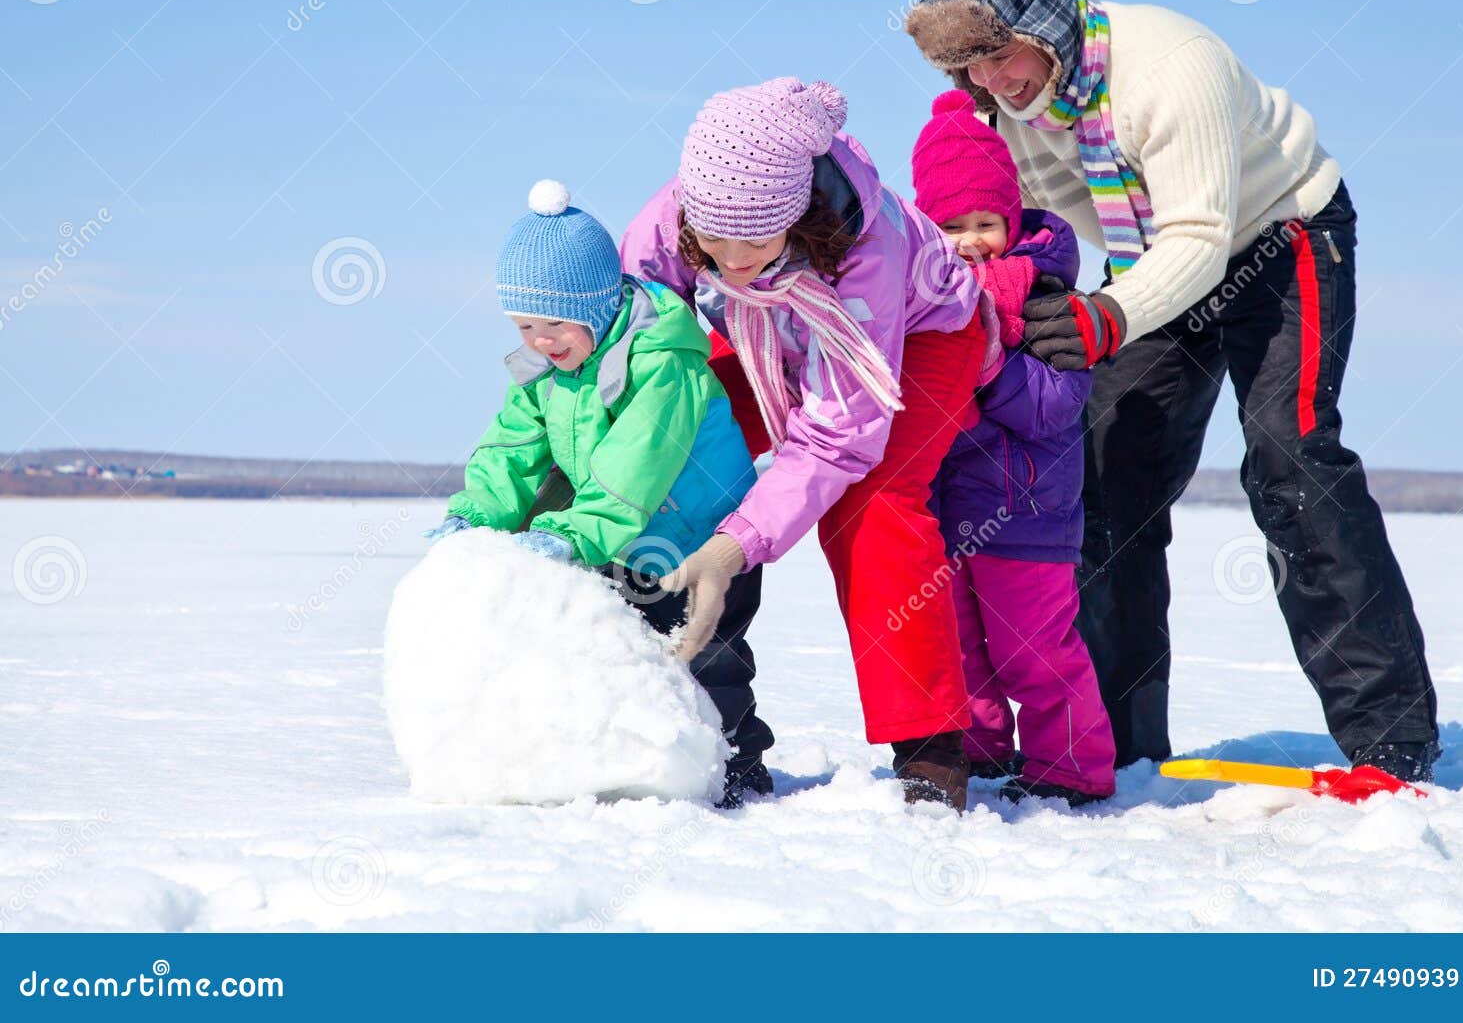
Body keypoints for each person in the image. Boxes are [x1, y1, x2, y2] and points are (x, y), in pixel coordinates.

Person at [904, 0, 1440, 781]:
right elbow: (1006, 217)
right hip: (1144, 262)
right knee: (1106, 484)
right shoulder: (997, 109)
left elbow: (1200, 234)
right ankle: (1115, 746)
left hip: (1278, 237)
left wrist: (1103, 319)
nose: (990, 81)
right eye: (967, 68)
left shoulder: (1166, 66)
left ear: (1044, 25)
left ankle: (1391, 741)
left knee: (1291, 461)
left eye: (999, 55)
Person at [619, 77, 994, 808]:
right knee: (669, 436)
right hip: (769, 337)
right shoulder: (674, 216)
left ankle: (931, 751)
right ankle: (696, 708)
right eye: (711, 242)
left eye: (754, 241)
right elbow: (627, 343)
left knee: (870, 506)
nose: (729, 262)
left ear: (795, 216)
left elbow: (837, 437)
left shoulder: (868, 251)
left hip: (912, 343)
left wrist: (734, 547)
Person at [426, 179, 773, 807]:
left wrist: (566, 535)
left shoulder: (664, 362)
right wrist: (474, 515)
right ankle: (640, 763)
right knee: (629, 653)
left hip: (699, 542)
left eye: (555, 321)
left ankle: (740, 764)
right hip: (623, 539)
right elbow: (512, 450)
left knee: (708, 658)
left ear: (597, 304)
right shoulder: (546, 372)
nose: (539, 339)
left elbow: (632, 468)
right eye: (524, 323)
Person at [914, 89, 1116, 805]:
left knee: (1036, 653)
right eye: (952, 224)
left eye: (985, 222)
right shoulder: (921, 298)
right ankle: (981, 750)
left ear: (1012, 216)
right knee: (962, 651)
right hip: (945, 515)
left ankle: (1072, 767)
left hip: (1025, 512)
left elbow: (1056, 404)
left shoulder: (1043, 292)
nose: (971, 239)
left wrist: (994, 360)